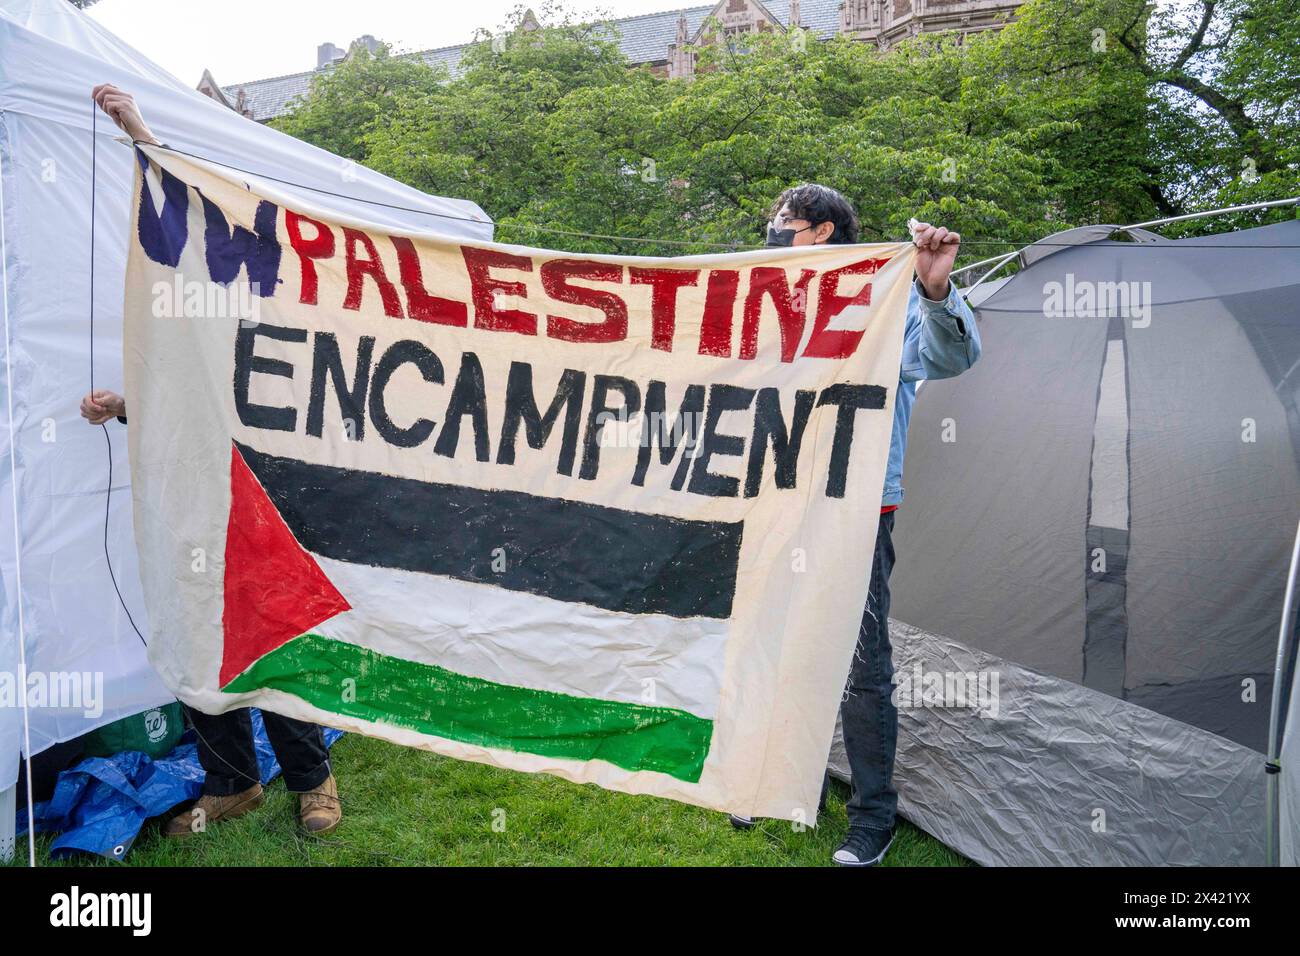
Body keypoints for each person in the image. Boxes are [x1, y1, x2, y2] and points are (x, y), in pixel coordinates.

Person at [82, 85, 342, 838]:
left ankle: (314, 782)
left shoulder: (277, 306)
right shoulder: (194, 307)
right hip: (193, 499)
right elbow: (184, 395)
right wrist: (122, 407)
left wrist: (140, 128)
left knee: (269, 639)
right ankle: (232, 784)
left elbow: (195, 209)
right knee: (195, 631)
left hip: (264, 502)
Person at [739, 185, 982, 867]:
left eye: (778, 223)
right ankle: (789, 783)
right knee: (779, 643)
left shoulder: (889, 296)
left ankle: (872, 817)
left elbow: (951, 358)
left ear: (817, 232)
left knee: (860, 664)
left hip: (857, 511)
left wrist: (936, 294)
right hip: (780, 501)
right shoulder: (769, 295)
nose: (769, 232)